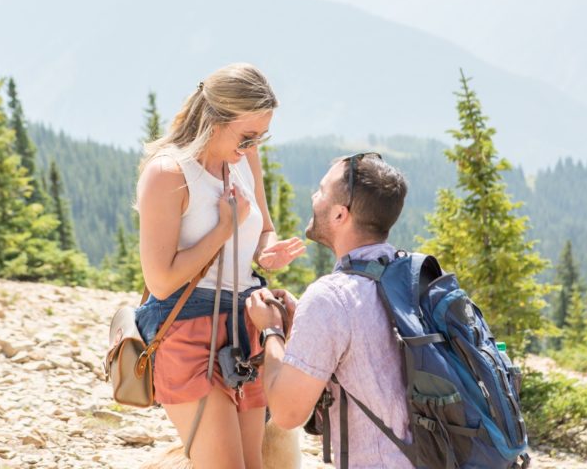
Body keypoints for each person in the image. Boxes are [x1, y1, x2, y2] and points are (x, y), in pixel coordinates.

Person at [135, 63, 306, 469]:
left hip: (245, 325)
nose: (251, 147)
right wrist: (222, 229)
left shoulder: (246, 159)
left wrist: (267, 251)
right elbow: (159, 282)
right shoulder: (168, 173)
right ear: (215, 118)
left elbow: (263, 227)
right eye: (247, 136)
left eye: (260, 137)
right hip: (184, 325)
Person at [246, 152, 413, 468]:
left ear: (340, 215)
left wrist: (271, 331)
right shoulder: (412, 277)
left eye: (321, 191)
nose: (313, 196)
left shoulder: (330, 299)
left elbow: (287, 413)